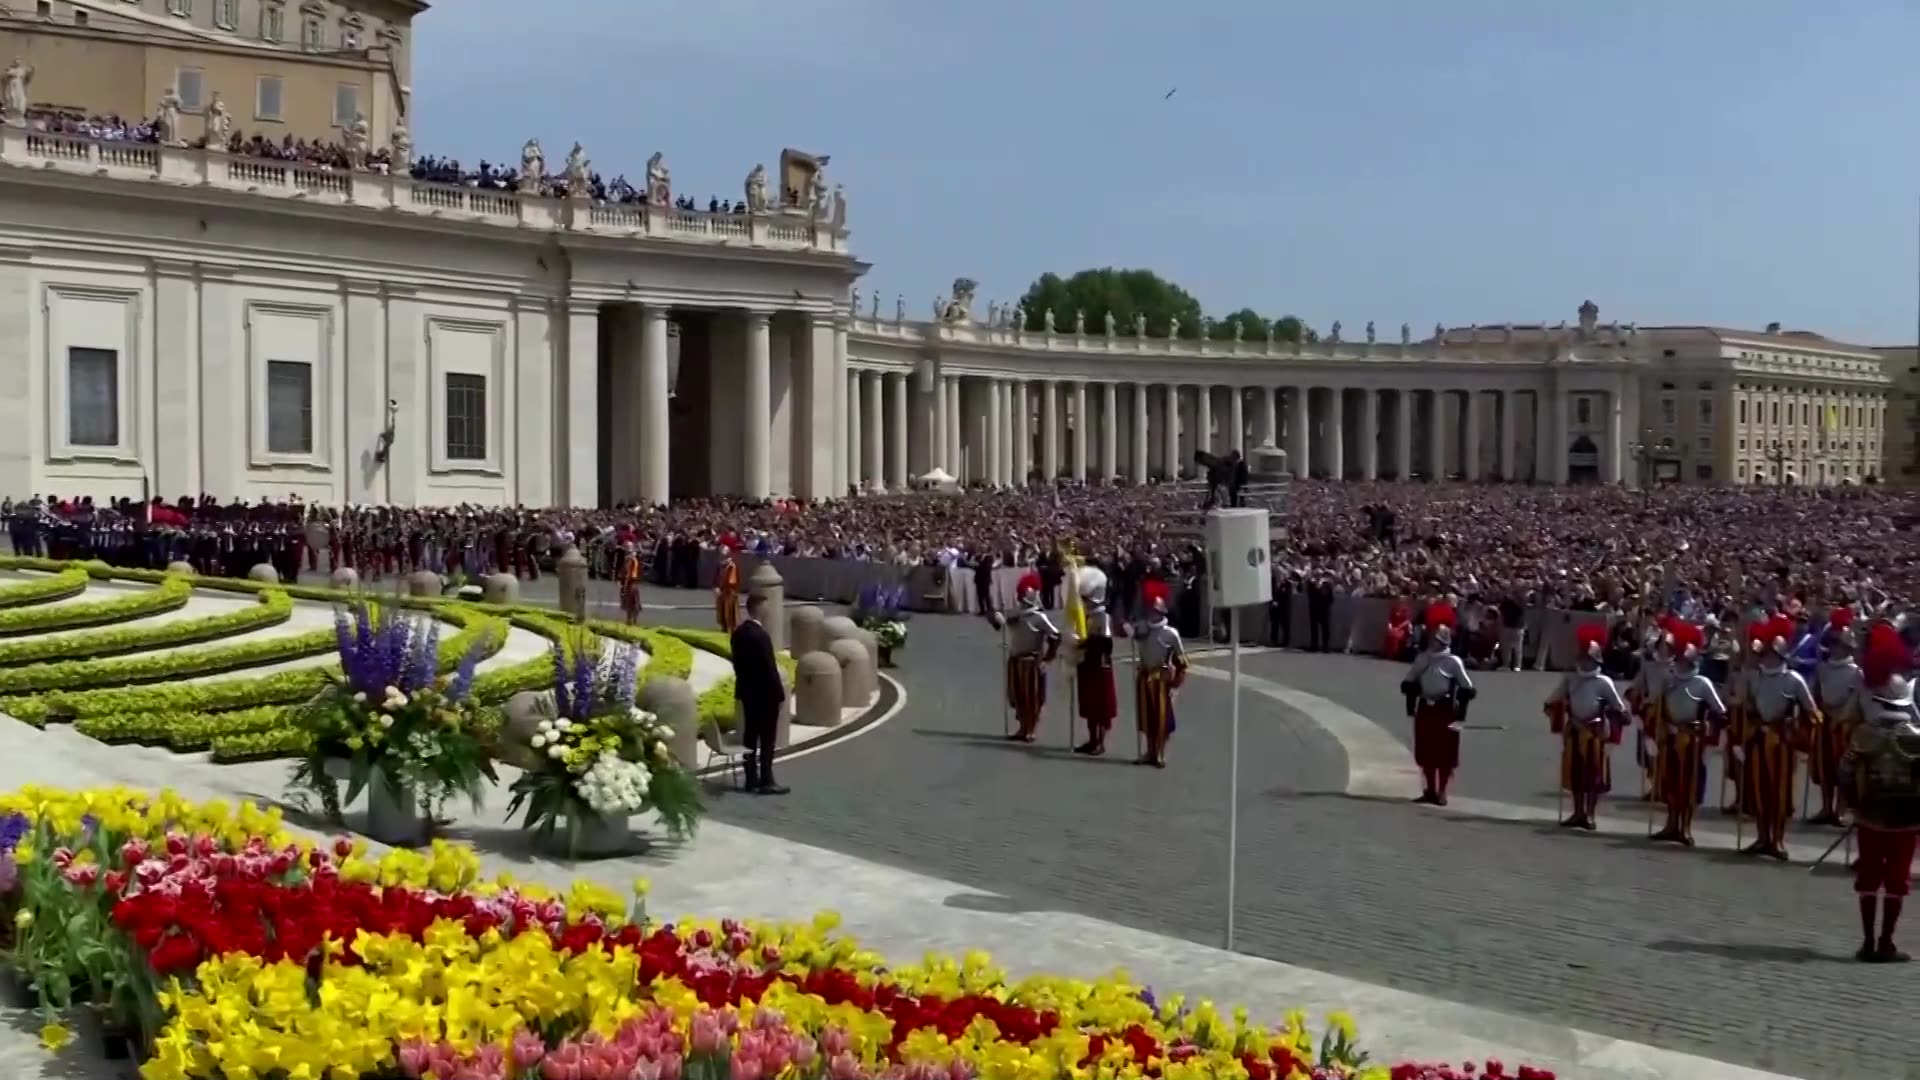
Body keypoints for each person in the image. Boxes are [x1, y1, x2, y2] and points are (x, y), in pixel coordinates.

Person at [1839, 620, 1919, 963]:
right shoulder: (1916, 737)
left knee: (1870, 876)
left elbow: (1843, 774)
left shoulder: (1864, 734)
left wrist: (1853, 806)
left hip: (1871, 813)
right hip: (1906, 818)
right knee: (1896, 880)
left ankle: (1869, 941)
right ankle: (1885, 941)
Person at [1742, 614, 1820, 860]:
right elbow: (1746, 706)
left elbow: (1812, 711)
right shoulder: (1754, 678)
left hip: (1782, 743)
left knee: (1780, 792)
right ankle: (1761, 836)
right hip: (1758, 738)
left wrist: (1801, 732)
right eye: (1763, 653)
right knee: (1758, 790)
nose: (1765, 657)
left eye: (1770, 653)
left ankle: (1777, 839)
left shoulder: (1793, 679)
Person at [1545, 622, 1626, 830]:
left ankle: (1589, 814)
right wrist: (1551, 707)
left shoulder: (1604, 682)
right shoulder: (1570, 678)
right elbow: (1554, 698)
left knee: (1593, 776)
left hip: (1595, 733)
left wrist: (1618, 715)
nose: (1584, 661)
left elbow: (1618, 706)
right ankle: (1577, 812)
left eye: (1589, 658)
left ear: (1596, 659)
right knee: (1575, 774)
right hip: (1574, 730)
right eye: (1582, 657)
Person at [1653, 619, 1724, 846]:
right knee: (1670, 783)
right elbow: (1658, 704)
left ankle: (1685, 826)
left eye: (1684, 658)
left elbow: (1719, 712)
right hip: (1672, 738)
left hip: (1692, 741)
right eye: (1678, 657)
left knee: (1689, 785)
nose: (1680, 662)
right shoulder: (1668, 679)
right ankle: (1670, 824)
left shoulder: (1702, 683)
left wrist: (1707, 727)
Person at [1401, 602, 1474, 805]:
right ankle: (1430, 789)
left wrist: (1461, 712)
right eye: (1432, 638)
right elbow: (1409, 680)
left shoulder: (1453, 662)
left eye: (1437, 639)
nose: (1433, 641)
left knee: (1444, 754)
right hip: (1426, 707)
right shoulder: (1422, 658)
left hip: (1445, 709)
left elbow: (1467, 687)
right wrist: (1411, 690)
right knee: (1427, 751)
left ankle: (1442, 791)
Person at [729, 591, 788, 795]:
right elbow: (769, 669)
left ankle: (751, 778)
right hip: (765, 695)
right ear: (759, 608)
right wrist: (780, 694)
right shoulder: (761, 636)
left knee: (750, 737)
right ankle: (766, 779)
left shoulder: (738, 633)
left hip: (748, 693)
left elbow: (738, 665)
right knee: (768, 739)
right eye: (765, 606)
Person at [1810, 608, 1863, 826]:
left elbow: (1855, 697)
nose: (1834, 647)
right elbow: (1814, 693)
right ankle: (1825, 807)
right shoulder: (1822, 668)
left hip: (1844, 724)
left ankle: (1840, 810)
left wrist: (1843, 717)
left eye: (1838, 644)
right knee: (1824, 767)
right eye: (1832, 643)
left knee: (1842, 768)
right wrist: (1817, 710)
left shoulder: (1855, 672)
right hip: (1825, 720)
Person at [1132, 578, 1188, 768]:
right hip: (1144, 677)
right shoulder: (1141, 627)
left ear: (1161, 610)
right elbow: (1135, 636)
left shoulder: (1170, 633)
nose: (1150, 611)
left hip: (1162, 680)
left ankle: (1161, 754)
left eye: (1153, 609)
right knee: (1147, 719)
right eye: (1148, 608)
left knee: (1162, 719)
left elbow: (1182, 661)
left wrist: (1176, 683)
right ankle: (1149, 752)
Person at [1001, 571, 1060, 743]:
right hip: (1015, 659)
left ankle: (1031, 729)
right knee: (1017, 695)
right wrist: (995, 618)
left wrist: (1048, 658)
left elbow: (1056, 636)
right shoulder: (1017, 614)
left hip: (1032, 661)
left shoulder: (1039, 617)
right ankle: (1022, 727)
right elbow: (1002, 623)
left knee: (1032, 697)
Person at [1072, 564, 1118, 757]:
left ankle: (1100, 741)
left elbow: (1107, 643)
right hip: (1087, 664)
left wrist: (1087, 642)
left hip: (1100, 665)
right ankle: (1091, 739)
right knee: (1089, 704)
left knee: (1100, 706)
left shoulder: (1103, 617)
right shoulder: (1085, 616)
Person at [1627, 631, 1674, 802]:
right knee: (1651, 751)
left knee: (1668, 752)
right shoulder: (1649, 667)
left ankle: (1668, 787)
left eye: (1667, 646)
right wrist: (1635, 695)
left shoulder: (1677, 668)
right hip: (1652, 712)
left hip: (1670, 713)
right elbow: (1636, 686)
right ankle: (1655, 786)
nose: (1664, 648)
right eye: (1662, 644)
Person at [713, 548, 741, 633]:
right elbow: (716, 577)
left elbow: (732, 581)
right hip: (722, 592)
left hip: (729, 592)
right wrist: (716, 586)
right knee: (722, 613)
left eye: (723, 552)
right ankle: (724, 628)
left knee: (730, 613)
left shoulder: (731, 565)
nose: (721, 554)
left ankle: (731, 631)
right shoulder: (720, 565)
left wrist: (722, 588)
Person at [617, 543, 643, 625]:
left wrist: (623, 583)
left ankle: (631, 620)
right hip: (631, 582)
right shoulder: (632, 558)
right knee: (632, 603)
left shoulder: (630, 559)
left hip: (631, 582)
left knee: (632, 602)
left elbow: (626, 572)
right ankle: (631, 620)